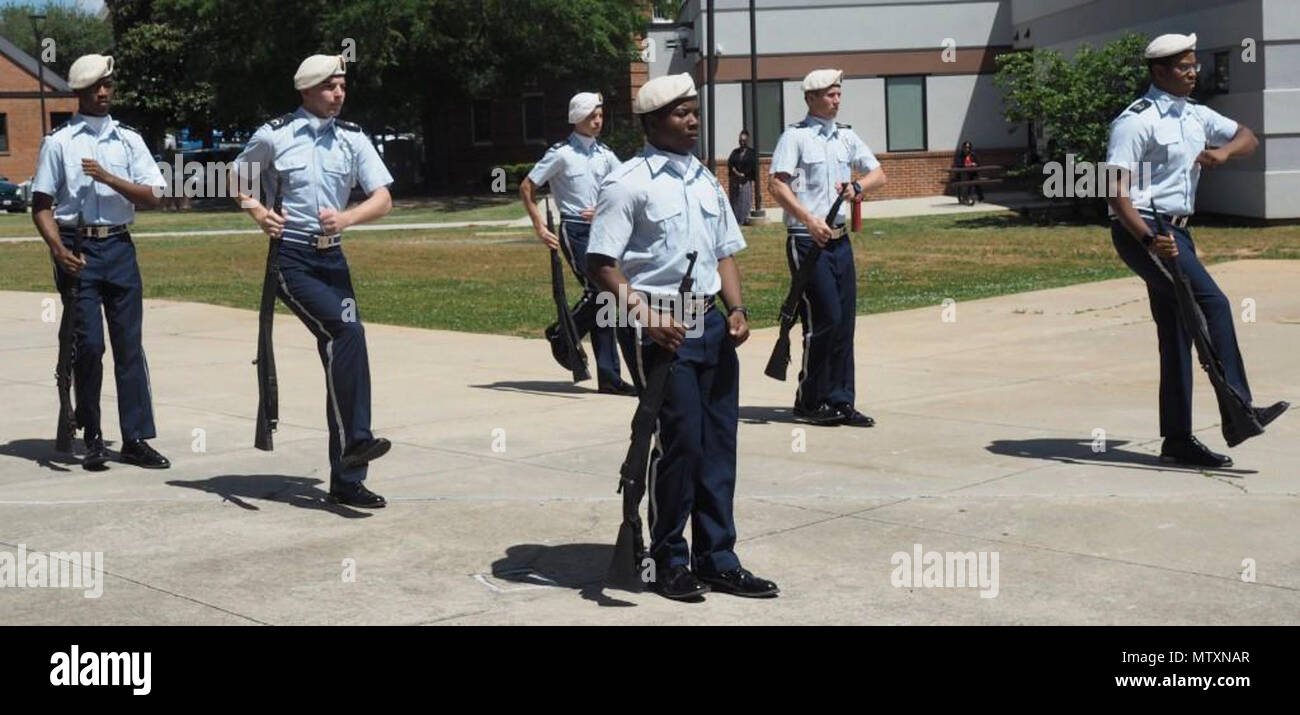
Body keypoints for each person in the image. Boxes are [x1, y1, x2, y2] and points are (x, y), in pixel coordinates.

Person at [588, 73, 778, 601]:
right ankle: (667, 559)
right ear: (652, 123)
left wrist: (736, 309)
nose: (693, 120)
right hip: (663, 331)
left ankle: (717, 556)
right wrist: (645, 317)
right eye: (680, 112)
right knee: (682, 447)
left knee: (719, 445)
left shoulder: (705, 180)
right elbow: (601, 263)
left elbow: (724, 253)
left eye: (695, 111)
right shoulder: (628, 182)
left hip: (712, 326)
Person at [1104, 33, 1287, 468]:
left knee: (1177, 333)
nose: (1193, 72)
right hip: (1145, 230)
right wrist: (1149, 240)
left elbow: (1248, 136)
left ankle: (1178, 440)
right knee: (1215, 305)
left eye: (1194, 66)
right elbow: (1115, 191)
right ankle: (1240, 411)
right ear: (1159, 71)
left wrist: (1223, 153)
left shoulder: (1194, 114)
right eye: (1184, 67)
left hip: (1175, 231)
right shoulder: (1135, 121)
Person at [230, 55, 395, 507]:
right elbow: (237, 179)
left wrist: (347, 217)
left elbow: (382, 199)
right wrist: (261, 213)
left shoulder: (353, 138)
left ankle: (346, 480)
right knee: (347, 333)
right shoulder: (276, 134)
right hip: (293, 261)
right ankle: (357, 441)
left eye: (342, 85)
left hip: (333, 261)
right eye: (329, 86)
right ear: (306, 90)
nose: (338, 93)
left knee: (341, 355)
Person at [31, 54, 170, 471]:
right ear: (80, 93)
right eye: (95, 88)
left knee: (130, 346)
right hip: (78, 249)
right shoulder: (59, 143)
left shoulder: (129, 140)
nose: (104, 93)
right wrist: (58, 250)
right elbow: (40, 206)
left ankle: (135, 438)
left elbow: (154, 195)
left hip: (120, 247)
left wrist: (110, 178)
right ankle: (90, 435)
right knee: (89, 346)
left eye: (107, 85)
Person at [768, 68, 886, 427]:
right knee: (824, 320)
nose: (837, 100)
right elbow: (776, 185)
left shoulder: (845, 137)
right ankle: (809, 400)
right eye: (830, 94)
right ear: (811, 99)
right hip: (807, 243)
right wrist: (807, 219)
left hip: (838, 240)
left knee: (844, 322)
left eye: (838, 94)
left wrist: (858, 188)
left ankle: (841, 400)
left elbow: (878, 173)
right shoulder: (795, 137)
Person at [519, 92, 635, 395]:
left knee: (606, 299)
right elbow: (527, 186)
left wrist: (603, 209)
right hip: (575, 230)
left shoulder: (605, 154)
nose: (598, 121)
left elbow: (625, 184)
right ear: (577, 118)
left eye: (600, 116)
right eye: (591, 117)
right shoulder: (561, 154)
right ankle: (562, 334)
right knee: (602, 291)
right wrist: (539, 226)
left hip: (603, 229)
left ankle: (607, 375)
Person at [727, 130, 756, 224]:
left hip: (745, 180)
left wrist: (743, 175)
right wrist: (735, 172)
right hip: (735, 180)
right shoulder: (735, 152)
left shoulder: (751, 152)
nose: (742, 142)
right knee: (735, 200)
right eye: (740, 140)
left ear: (747, 141)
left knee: (744, 200)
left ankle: (744, 220)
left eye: (744, 141)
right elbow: (730, 163)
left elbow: (752, 165)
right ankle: (735, 221)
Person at [954, 140, 983, 205]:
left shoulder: (973, 155)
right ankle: (966, 198)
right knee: (966, 181)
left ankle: (980, 197)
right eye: (965, 147)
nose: (967, 149)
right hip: (962, 174)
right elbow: (958, 164)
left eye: (968, 147)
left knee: (976, 180)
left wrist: (974, 164)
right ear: (963, 147)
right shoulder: (960, 155)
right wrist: (966, 165)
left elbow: (978, 164)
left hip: (972, 173)